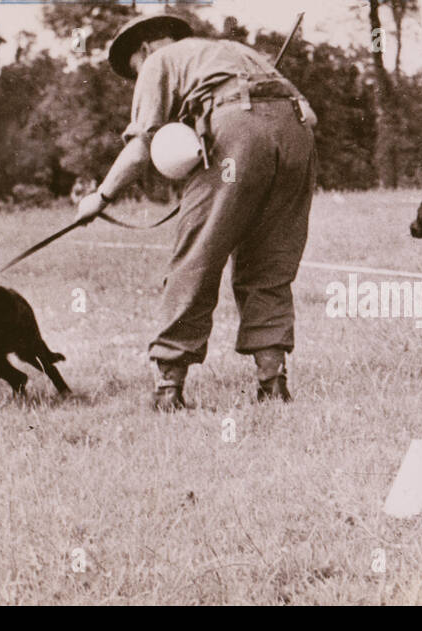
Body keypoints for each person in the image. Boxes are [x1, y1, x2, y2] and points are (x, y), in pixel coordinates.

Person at [76, 13, 317, 411]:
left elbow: (140, 149)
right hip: (296, 136)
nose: (138, 79)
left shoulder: (158, 61)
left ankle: (168, 389)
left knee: (197, 256)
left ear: (144, 48)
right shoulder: (234, 51)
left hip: (238, 130)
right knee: (270, 261)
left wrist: (100, 198)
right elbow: (312, 115)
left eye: (133, 71)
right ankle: (272, 383)